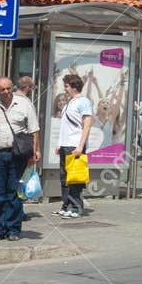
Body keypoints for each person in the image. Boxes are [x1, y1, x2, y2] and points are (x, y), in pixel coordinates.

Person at [0, 77, 40, 243]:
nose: (5, 92)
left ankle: (13, 229)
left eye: (8, 88)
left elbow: (34, 131)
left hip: (16, 156)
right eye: (1, 90)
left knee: (13, 194)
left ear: (12, 88)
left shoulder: (25, 105)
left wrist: (34, 153)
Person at [55, 73, 95, 220]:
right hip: (65, 145)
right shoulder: (69, 102)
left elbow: (87, 124)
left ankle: (76, 207)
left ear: (74, 86)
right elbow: (64, 126)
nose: (64, 89)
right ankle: (66, 205)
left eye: (66, 86)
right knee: (64, 178)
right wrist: (59, 143)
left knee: (75, 178)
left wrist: (80, 146)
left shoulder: (83, 102)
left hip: (75, 145)